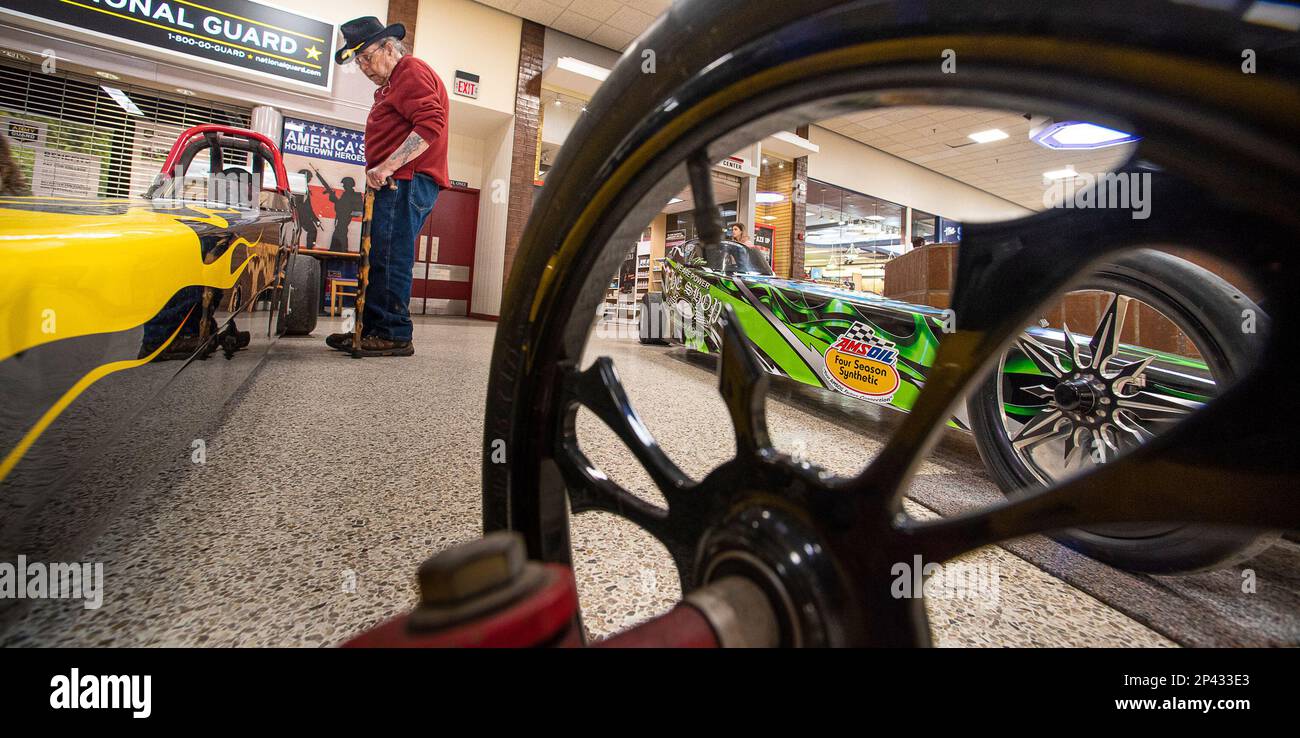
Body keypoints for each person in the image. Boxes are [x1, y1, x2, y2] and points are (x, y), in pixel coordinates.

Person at [325, 16, 449, 357]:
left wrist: (387, 166)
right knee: (379, 255)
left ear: (389, 47)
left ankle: (393, 333)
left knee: (390, 257)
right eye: (359, 61)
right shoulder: (392, 85)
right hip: (397, 182)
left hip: (404, 181)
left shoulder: (409, 71)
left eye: (367, 56)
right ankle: (371, 330)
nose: (363, 66)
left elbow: (431, 123)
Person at [325, 177, 363, 252]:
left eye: (344, 184)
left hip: (344, 220)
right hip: (341, 220)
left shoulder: (355, 195)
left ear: (349, 185)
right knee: (339, 234)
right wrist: (334, 198)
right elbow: (340, 207)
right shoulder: (345, 194)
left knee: (340, 235)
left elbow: (359, 212)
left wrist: (347, 214)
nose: (343, 186)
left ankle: (341, 252)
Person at [293, 169, 322, 248]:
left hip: (301, 214)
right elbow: (302, 205)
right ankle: (305, 249)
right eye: (309, 177)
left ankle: (303, 249)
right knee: (310, 230)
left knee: (301, 231)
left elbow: (308, 206)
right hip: (299, 214)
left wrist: (315, 219)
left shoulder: (304, 187)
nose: (310, 179)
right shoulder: (299, 188)